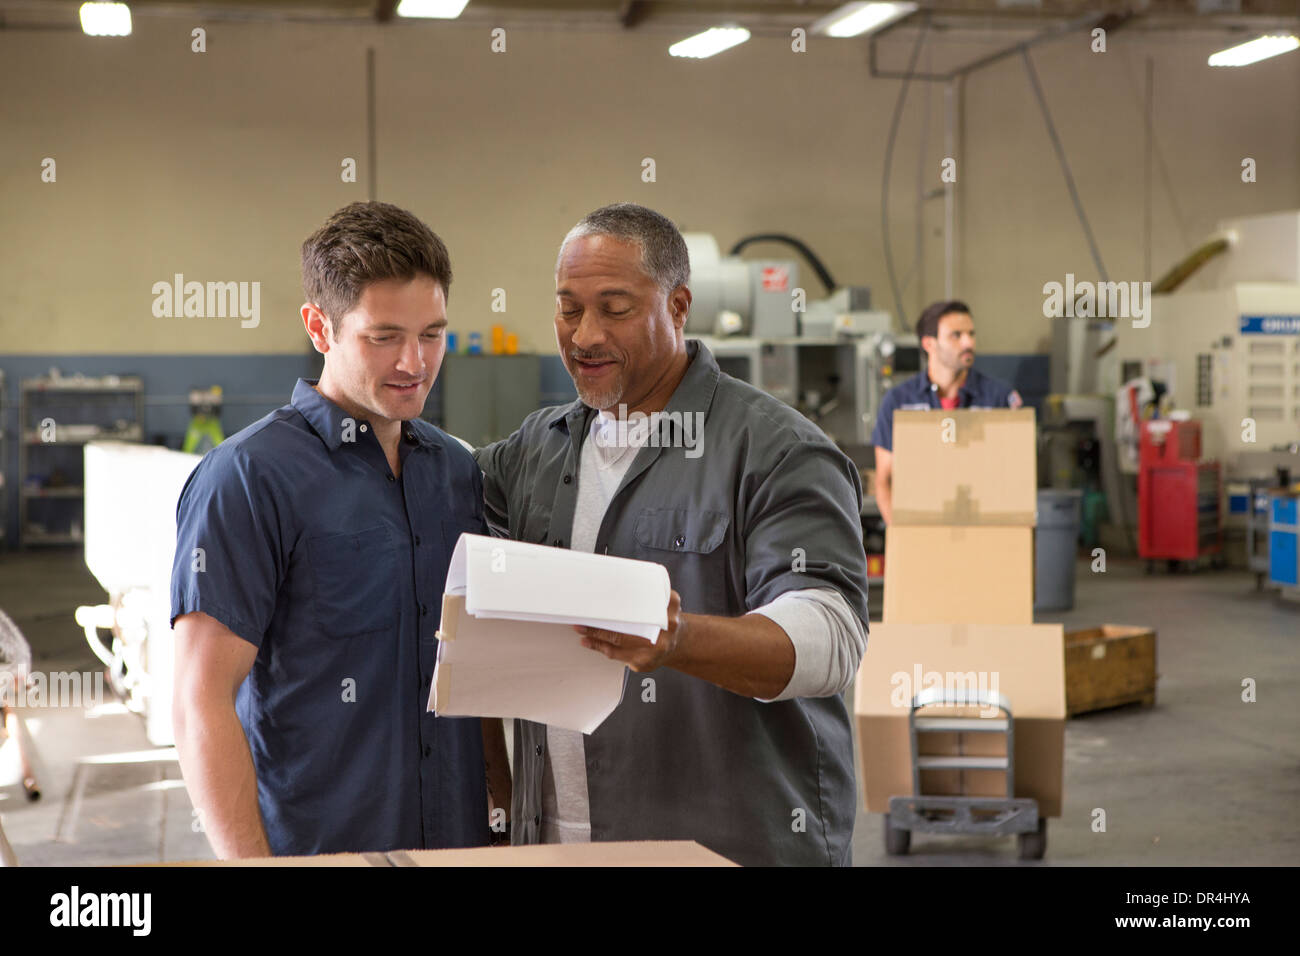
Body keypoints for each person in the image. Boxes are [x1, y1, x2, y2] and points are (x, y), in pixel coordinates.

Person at [474, 202, 869, 866]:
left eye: (616, 308)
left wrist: (682, 639)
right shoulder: (533, 452)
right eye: (569, 309)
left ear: (678, 307)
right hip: (555, 846)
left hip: (726, 846)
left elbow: (831, 638)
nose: (586, 335)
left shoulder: (774, 449)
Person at [170, 201, 509, 858]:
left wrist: (499, 794)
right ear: (319, 328)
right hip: (321, 845)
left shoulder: (454, 470)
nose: (414, 362)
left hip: (455, 839)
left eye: (432, 333)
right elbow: (199, 698)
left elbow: (471, 655)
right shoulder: (247, 478)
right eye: (383, 337)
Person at [871, 300, 1022, 524]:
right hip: (921, 530)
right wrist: (901, 538)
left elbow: (1016, 477)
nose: (968, 342)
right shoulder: (899, 402)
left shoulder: (999, 399)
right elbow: (885, 480)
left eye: (971, 334)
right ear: (929, 344)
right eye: (956, 335)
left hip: (985, 532)